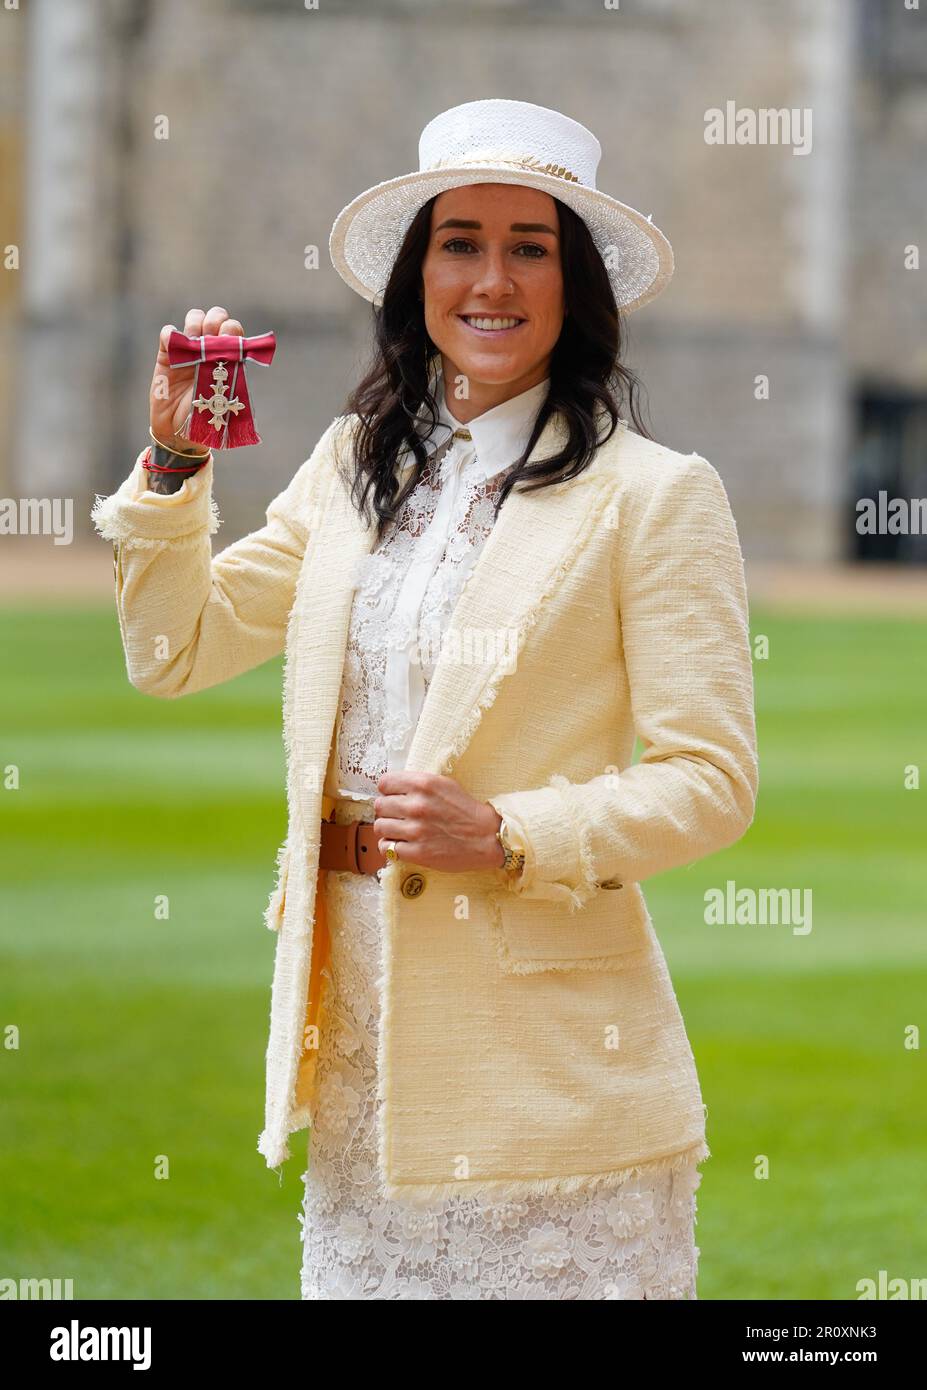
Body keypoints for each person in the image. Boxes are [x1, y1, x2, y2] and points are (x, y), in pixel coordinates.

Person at [91, 99, 758, 1300]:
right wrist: (176, 462)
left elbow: (711, 781)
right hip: (357, 1056)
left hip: (551, 1076)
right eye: (460, 241)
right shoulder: (353, 465)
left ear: (577, 281)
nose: (490, 278)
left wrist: (510, 834)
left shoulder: (656, 495)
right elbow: (174, 648)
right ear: (419, 272)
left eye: (530, 245)